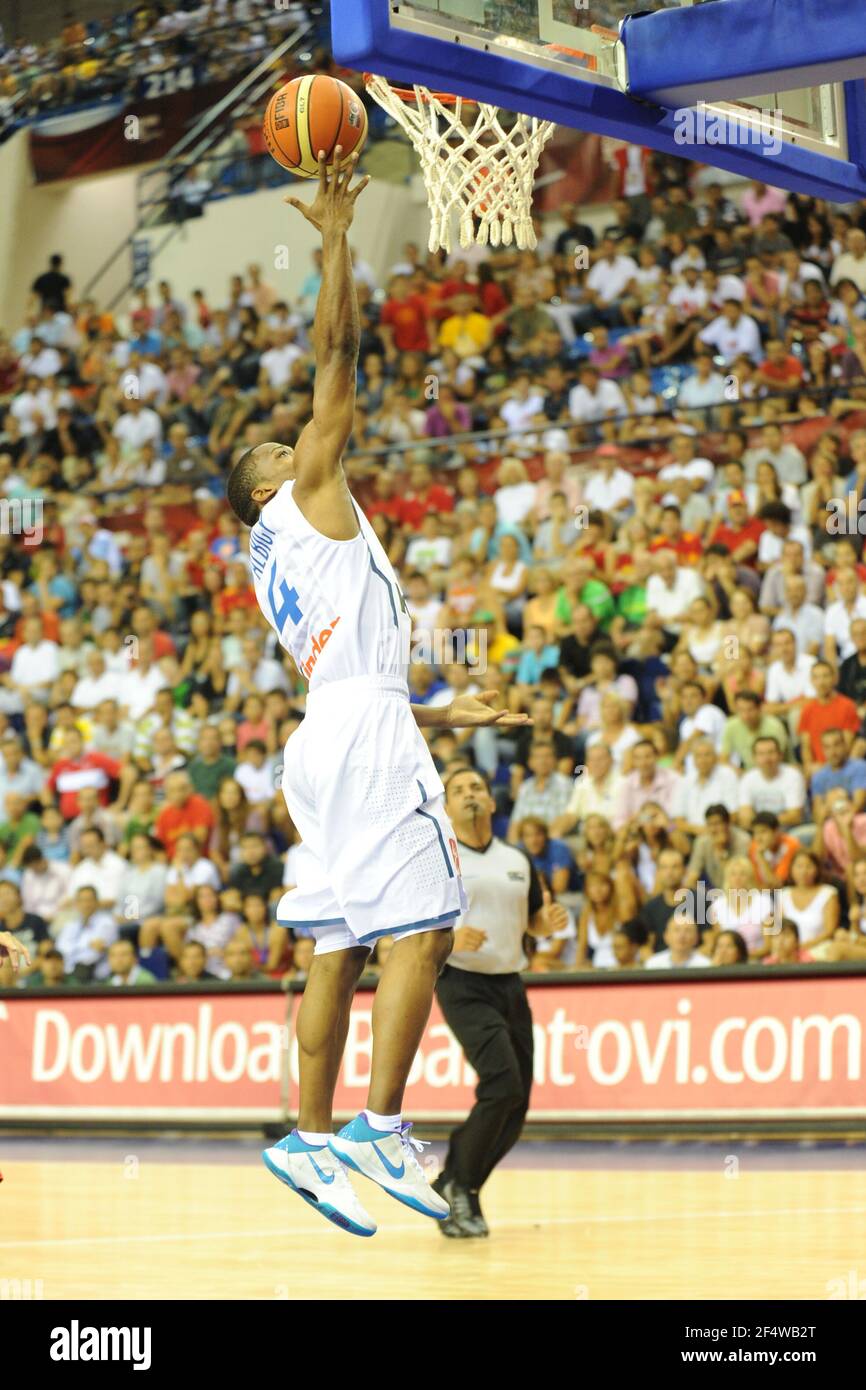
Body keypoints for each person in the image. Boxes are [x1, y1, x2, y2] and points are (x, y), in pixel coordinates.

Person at [224, 152, 529, 1238]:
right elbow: (335, 354)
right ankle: (379, 1124)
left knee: (333, 944)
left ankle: (307, 1137)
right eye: (282, 442)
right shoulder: (308, 486)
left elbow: (364, 680)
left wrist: (448, 714)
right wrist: (340, 238)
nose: (298, 434)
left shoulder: (275, 549)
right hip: (357, 729)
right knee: (427, 929)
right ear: (271, 481)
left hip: (331, 732)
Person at [432, 767, 566, 1237]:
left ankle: (454, 1181)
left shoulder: (517, 857)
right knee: (502, 1084)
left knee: (518, 1101)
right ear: (445, 807)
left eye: (477, 788)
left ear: (492, 802)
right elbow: (412, 928)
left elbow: (531, 922)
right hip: (462, 983)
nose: (470, 795)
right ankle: (461, 1189)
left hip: (510, 983)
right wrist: (450, 937)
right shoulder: (440, 857)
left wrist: (544, 925)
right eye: (459, 790)